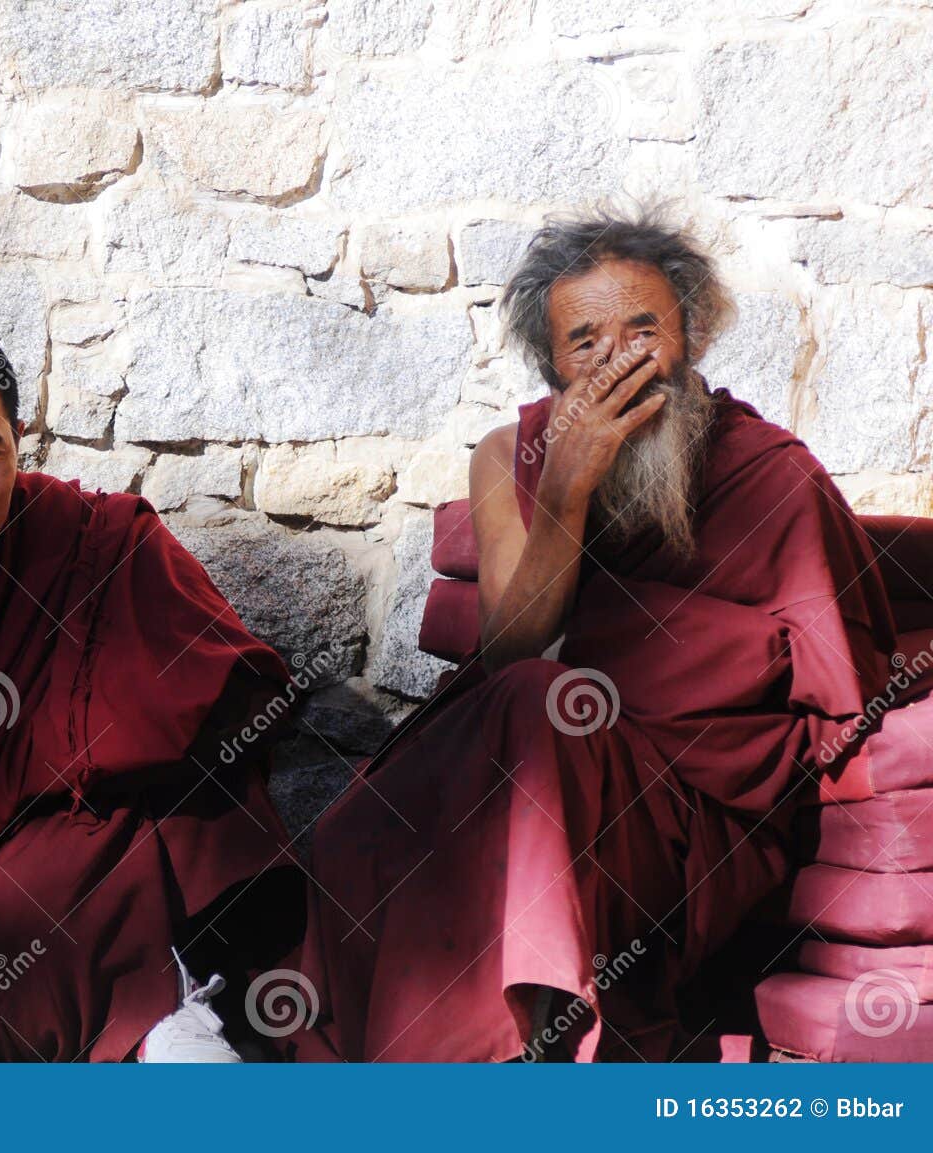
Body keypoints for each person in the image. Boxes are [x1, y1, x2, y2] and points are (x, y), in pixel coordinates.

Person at [301, 206, 901, 1061]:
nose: (619, 360)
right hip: (536, 768)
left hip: (692, 815)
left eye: (644, 328)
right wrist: (566, 491)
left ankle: (518, 1055)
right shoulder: (511, 452)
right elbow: (510, 644)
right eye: (585, 342)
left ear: (691, 335)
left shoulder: (772, 474)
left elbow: (832, 690)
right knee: (359, 822)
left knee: (541, 708)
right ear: (551, 366)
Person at [0, 315, 305, 1062]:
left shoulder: (93, 543)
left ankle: (171, 1019)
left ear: (19, 441)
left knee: (123, 841)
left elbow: (233, 705)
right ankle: (160, 1026)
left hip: (83, 862)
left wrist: (79, 766)